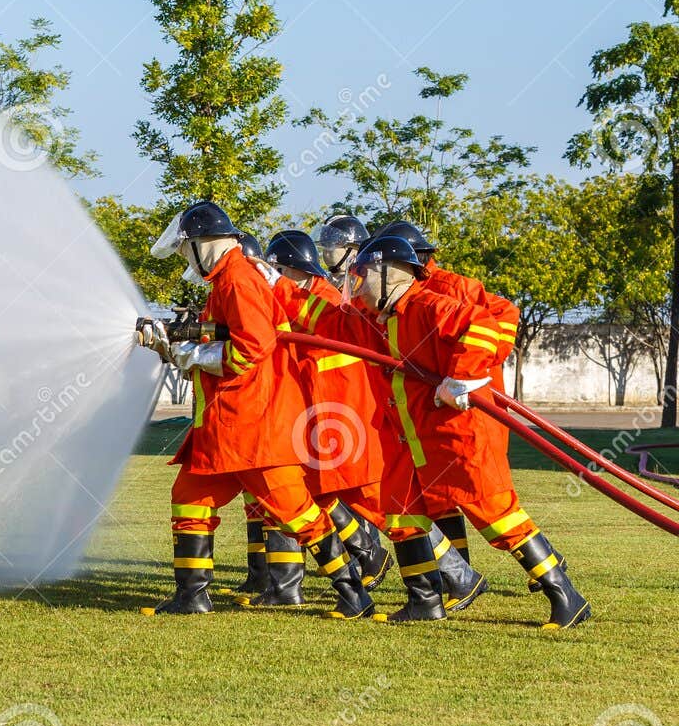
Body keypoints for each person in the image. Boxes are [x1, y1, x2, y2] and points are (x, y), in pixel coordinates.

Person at [299, 234, 590, 628]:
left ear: (388, 275)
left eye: (363, 275)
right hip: (411, 437)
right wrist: (276, 286)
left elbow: (483, 325)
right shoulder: (377, 320)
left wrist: (462, 378)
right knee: (402, 514)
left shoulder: (430, 305)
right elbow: (331, 322)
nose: (358, 285)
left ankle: (565, 596)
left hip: (458, 432)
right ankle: (424, 601)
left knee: (495, 515)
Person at [138, 201, 375, 619]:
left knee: (296, 512)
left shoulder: (237, 280)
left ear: (201, 245)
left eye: (184, 249)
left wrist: (190, 354)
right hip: (225, 427)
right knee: (188, 499)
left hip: (254, 427)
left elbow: (253, 346)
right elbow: (224, 335)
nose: (183, 257)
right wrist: (175, 345)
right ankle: (192, 597)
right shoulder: (228, 280)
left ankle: (353, 592)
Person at [263, 229, 391, 598]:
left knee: (377, 500)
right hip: (319, 410)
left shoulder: (322, 297)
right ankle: (367, 556)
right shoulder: (313, 294)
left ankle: (452, 573)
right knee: (317, 490)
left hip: (341, 411)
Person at [315, 214, 370, 288]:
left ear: (351, 248)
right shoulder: (321, 283)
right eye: (325, 246)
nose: (326, 252)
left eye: (330, 246)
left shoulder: (365, 285)